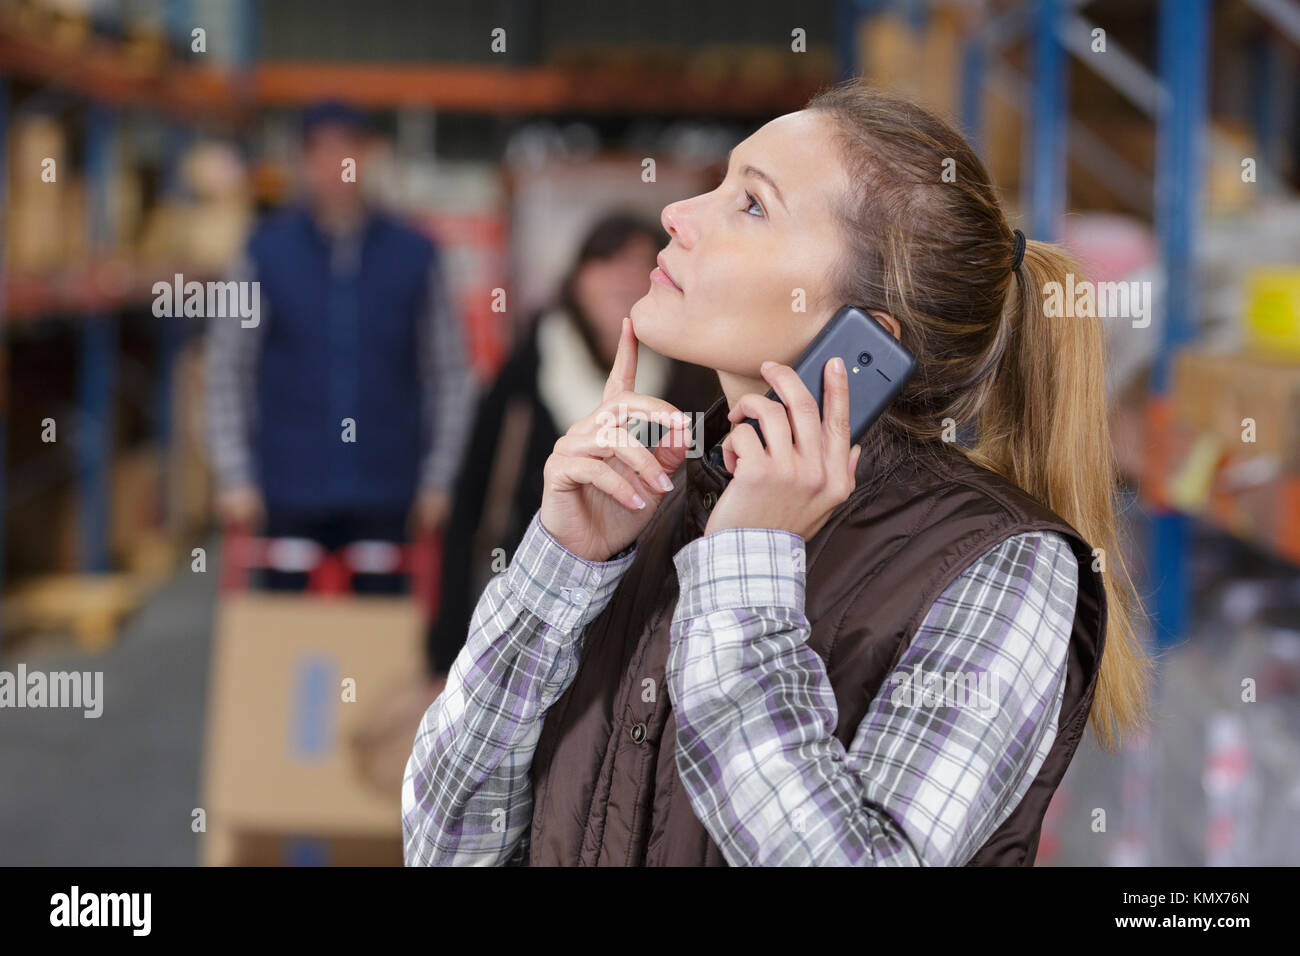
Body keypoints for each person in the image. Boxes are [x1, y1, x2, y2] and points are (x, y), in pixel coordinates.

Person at [402, 81, 1154, 867]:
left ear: (861, 338)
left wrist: (746, 575)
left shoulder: (1000, 565)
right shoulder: (654, 496)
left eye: (752, 205)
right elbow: (447, 846)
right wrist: (561, 569)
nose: (678, 215)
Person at [424, 211, 720, 687]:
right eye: (607, 262)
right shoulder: (523, 377)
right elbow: (469, 511)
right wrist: (445, 649)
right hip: (530, 614)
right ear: (578, 277)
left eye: (639, 265)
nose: (622, 279)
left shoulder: (694, 381)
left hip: (646, 631)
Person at [206, 101, 475, 592]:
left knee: (381, 650)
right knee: (287, 649)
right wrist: (234, 475)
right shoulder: (263, 253)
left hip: (388, 490)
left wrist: (439, 479)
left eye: (347, 151)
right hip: (289, 489)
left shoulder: (416, 254)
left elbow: (449, 374)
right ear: (302, 162)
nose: (336, 167)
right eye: (321, 152)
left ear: (369, 156)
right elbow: (229, 367)